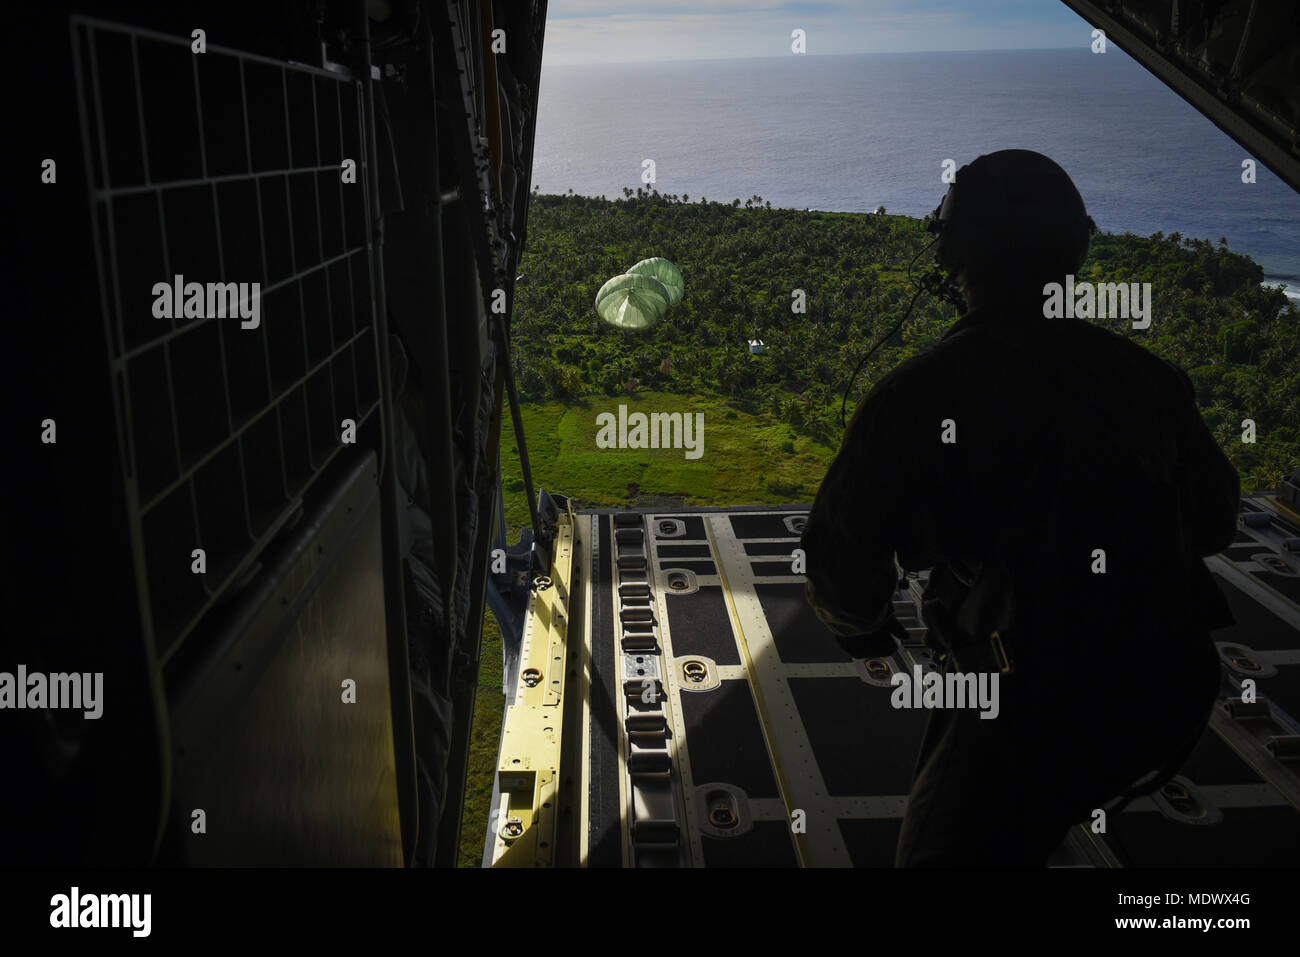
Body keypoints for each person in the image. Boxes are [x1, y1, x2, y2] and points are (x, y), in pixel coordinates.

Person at [801, 149, 1240, 866]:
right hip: (1169, 688)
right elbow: (1217, 520)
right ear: (1073, 253)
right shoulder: (1148, 380)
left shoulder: (918, 395)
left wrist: (870, 632)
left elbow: (841, 566)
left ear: (955, 255)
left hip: (1029, 704)